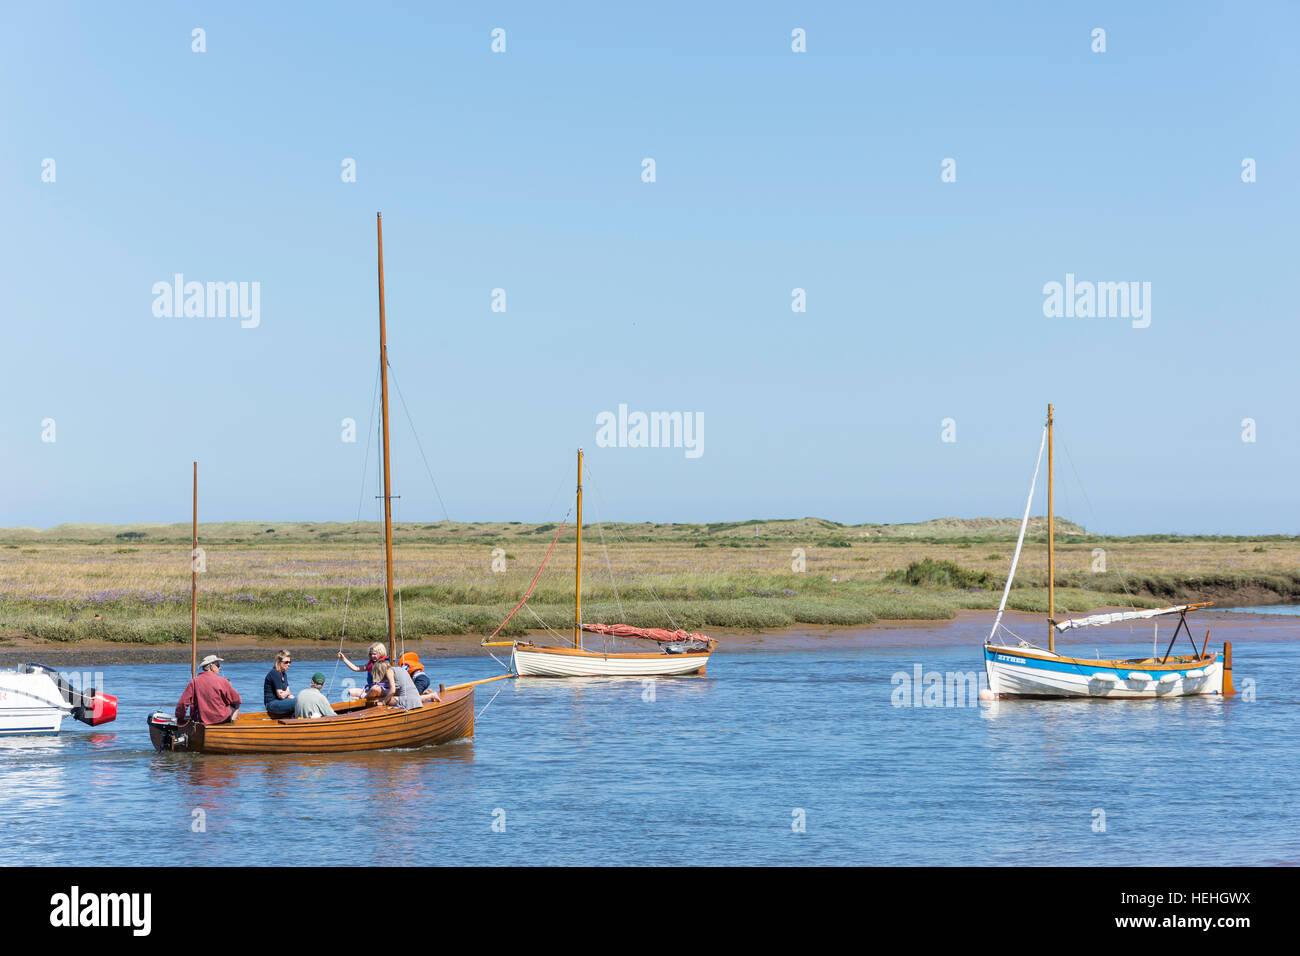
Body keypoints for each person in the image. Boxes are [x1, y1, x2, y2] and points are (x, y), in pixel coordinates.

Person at [175, 654, 241, 725]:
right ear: (211, 667)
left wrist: (180, 718)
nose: (220, 668)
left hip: (199, 719)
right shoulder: (222, 681)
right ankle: (232, 725)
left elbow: (183, 703)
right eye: (218, 665)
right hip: (221, 718)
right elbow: (237, 699)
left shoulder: (194, 681)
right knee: (236, 705)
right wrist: (229, 686)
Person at [263, 649, 295, 717]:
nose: (288, 664)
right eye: (286, 662)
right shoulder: (275, 673)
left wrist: (287, 694)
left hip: (280, 702)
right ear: (279, 662)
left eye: (290, 662)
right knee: (299, 701)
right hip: (271, 704)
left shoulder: (284, 674)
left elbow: (288, 692)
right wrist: (287, 694)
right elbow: (281, 695)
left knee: (300, 699)